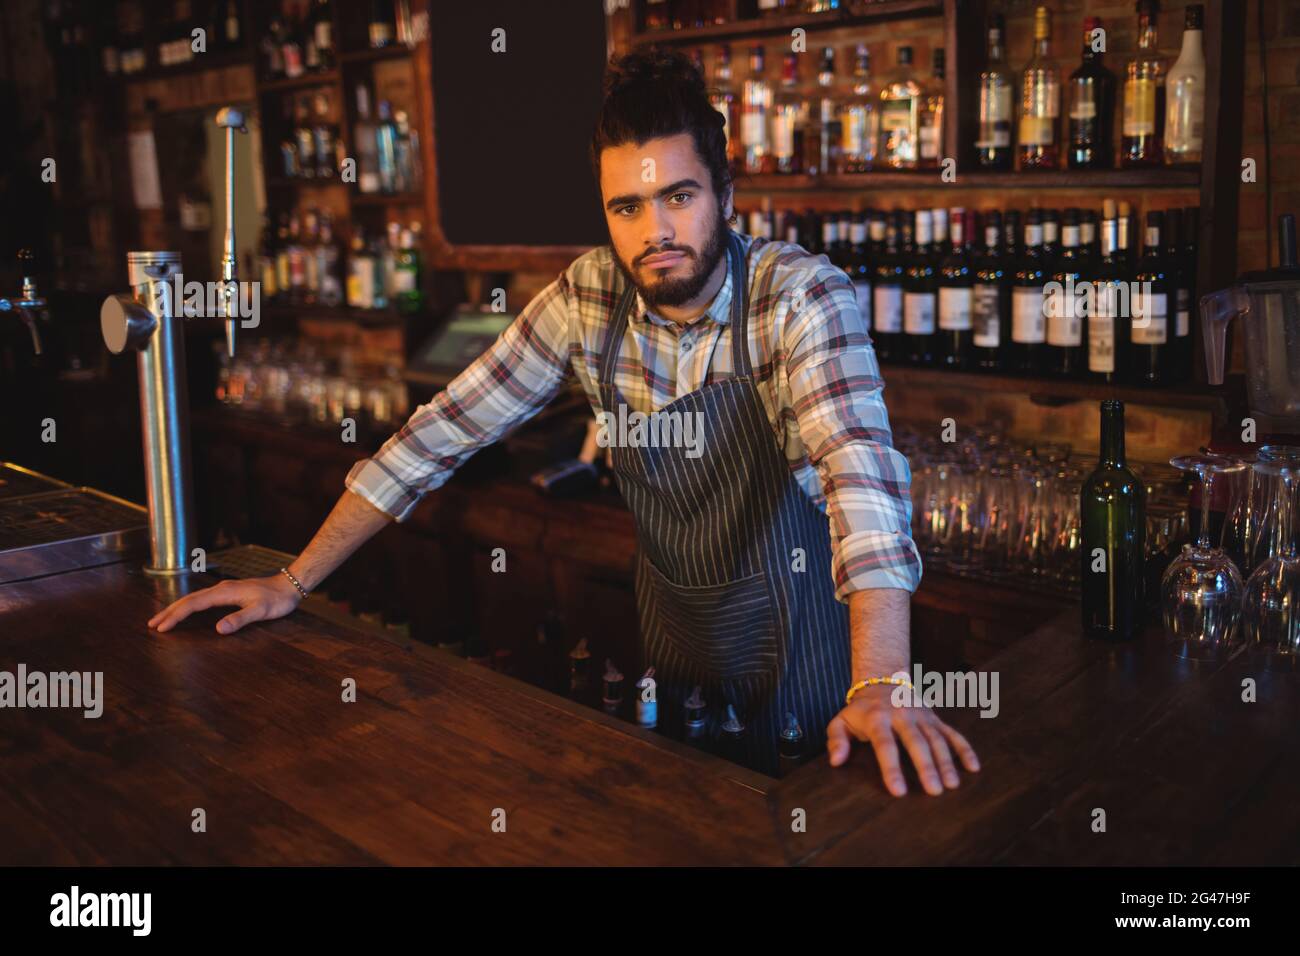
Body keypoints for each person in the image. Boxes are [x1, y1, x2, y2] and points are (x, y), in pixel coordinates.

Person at [150, 49, 979, 794]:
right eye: (626, 207)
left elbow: (860, 478)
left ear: (727, 196)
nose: (654, 232)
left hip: (819, 678)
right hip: (678, 667)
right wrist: (291, 582)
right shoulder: (588, 296)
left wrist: (882, 685)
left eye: (679, 198)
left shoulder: (799, 296)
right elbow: (441, 432)